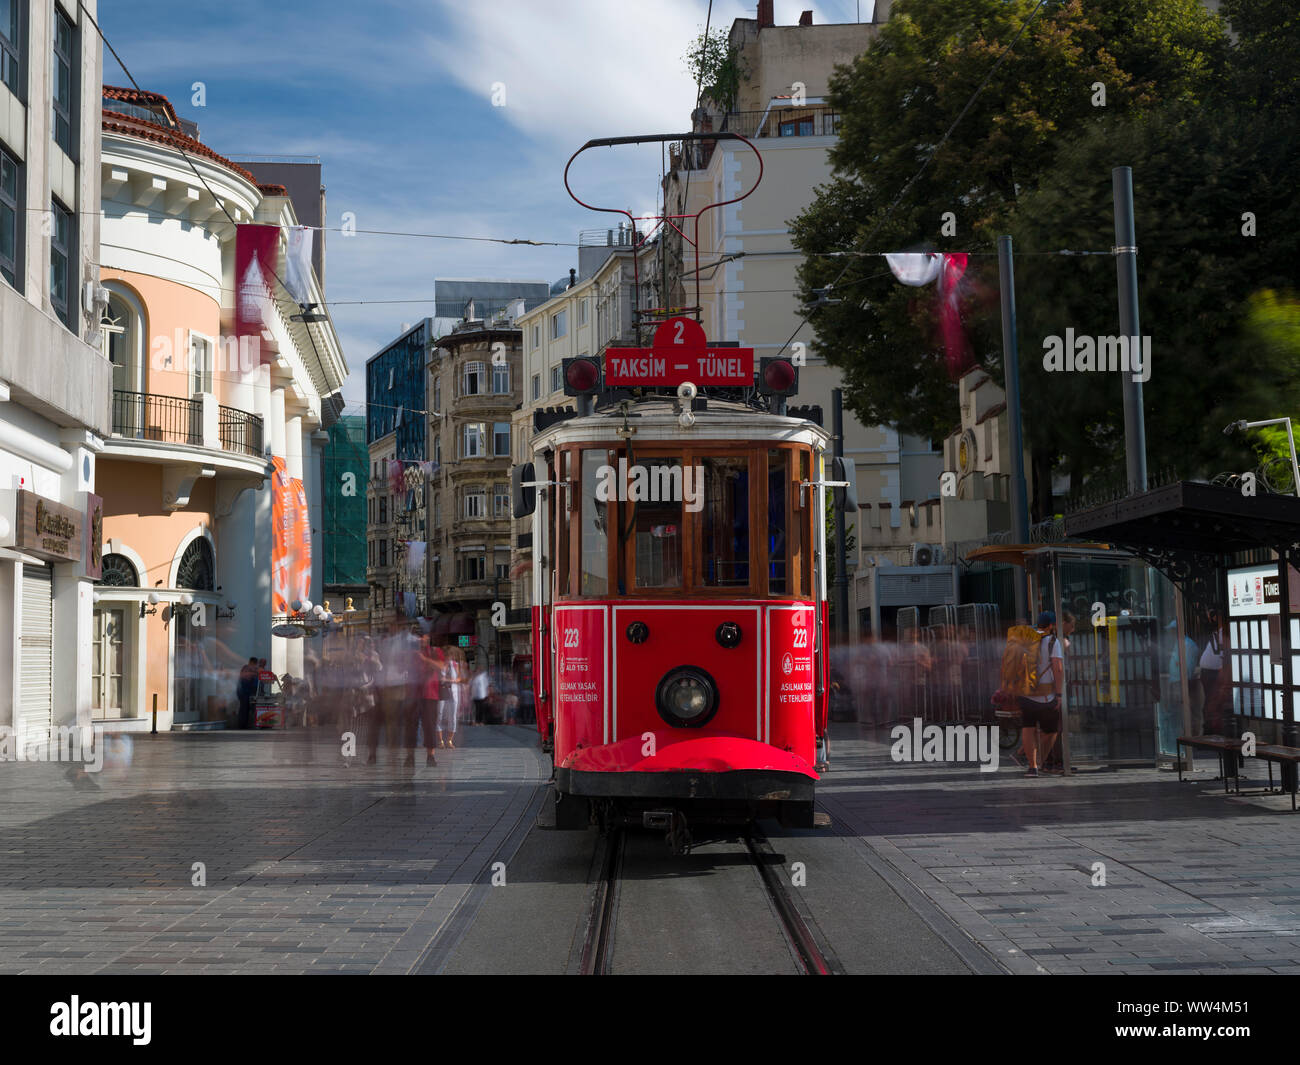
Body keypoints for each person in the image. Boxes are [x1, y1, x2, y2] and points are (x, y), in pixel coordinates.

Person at [1020, 611, 1064, 778]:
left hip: (1025, 692)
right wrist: (1059, 694)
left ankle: (1032, 767)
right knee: (1052, 730)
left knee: (1028, 727)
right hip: (1046, 695)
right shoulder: (1053, 642)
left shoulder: (1025, 638)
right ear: (1051, 625)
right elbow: (1058, 668)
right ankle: (1039, 759)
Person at [237, 657, 258, 729]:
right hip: (243, 692)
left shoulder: (253, 669)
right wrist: (254, 674)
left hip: (249, 692)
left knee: (248, 709)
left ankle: (246, 725)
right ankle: (242, 726)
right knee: (244, 708)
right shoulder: (246, 668)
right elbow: (245, 676)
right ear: (252, 663)